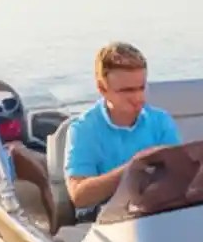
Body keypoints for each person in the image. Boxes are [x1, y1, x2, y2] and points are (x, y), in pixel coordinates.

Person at [63, 42, 181, 215]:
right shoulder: (82, 130)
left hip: (155, 212)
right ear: (102, 89)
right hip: (102, 219)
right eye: (127, 91)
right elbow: (79, 196)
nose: (138, 98)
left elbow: (180, 177)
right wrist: (134, 168)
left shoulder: (161, 120)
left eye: (141, 88)